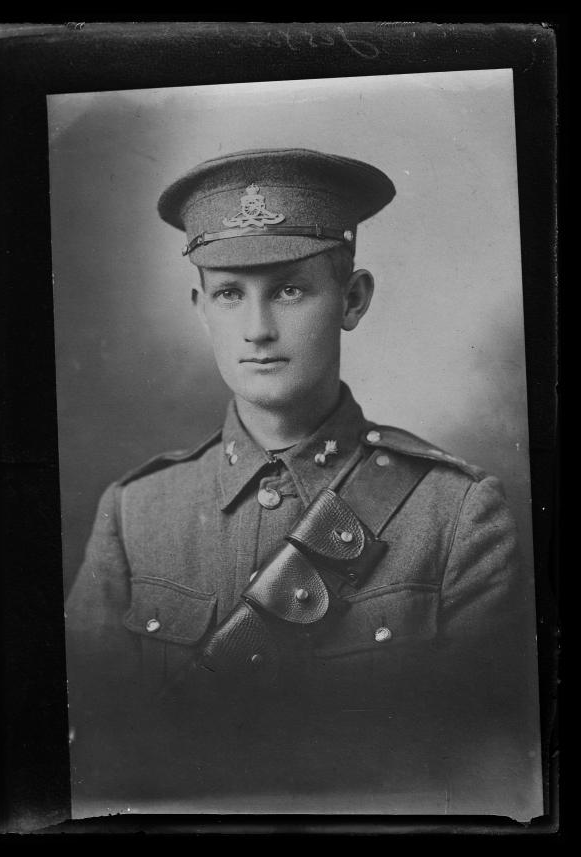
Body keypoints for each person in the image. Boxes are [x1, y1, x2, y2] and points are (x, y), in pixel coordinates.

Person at [65, 148, 541, 816]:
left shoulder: (457, 513)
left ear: (352, 299)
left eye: (289, 289)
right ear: (200, 305)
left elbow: (490, 777)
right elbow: (87, 764)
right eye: (231, 293)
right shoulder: (135, 513)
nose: (257, 330)